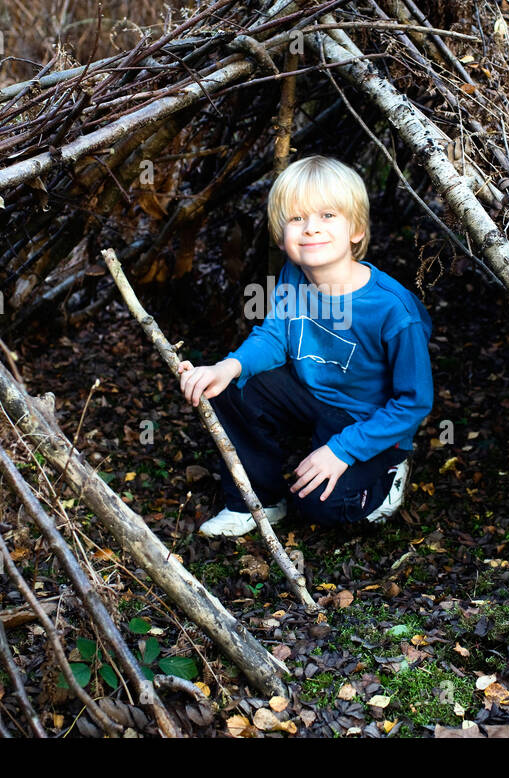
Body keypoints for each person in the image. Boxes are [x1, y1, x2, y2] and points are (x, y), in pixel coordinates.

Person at [178, 156, 433, 536]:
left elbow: (414, 401)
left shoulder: (393, 310)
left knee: (320, 506)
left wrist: (341, 451)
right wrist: (226, 368)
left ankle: (389, 474)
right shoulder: (294, 274)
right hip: (313, 399)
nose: (311, 229)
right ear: (281, 236)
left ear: (357, 230)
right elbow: (276, 335)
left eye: (328, 215)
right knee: (228, 386)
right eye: (297, 219)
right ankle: (258, 499)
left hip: (368, 420)